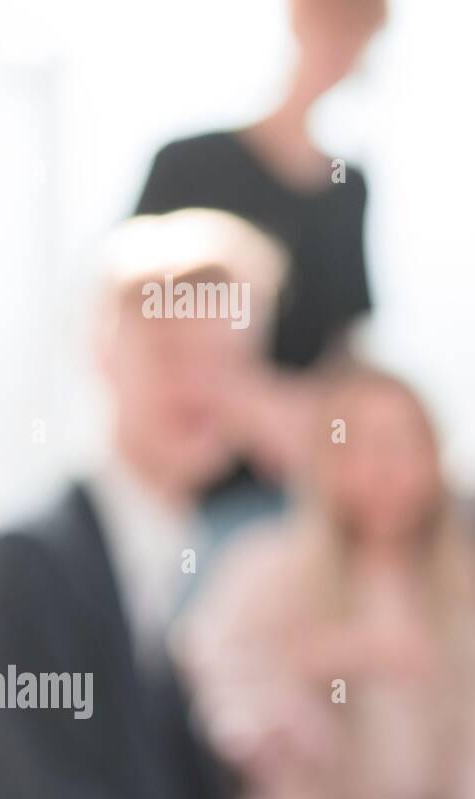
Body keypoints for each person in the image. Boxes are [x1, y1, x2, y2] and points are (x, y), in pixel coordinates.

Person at [0, 209, 287, 799]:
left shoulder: (205, 565)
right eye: (169, 353)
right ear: (103, 357)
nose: (199, 385)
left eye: (226, 358)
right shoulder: (26, 568)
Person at [179, 366, 475, 799]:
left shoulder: (467, 575)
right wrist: (313, 664)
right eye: (358, 447)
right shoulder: (270, 570)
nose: (382, 470)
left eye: (401, 447)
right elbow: (212, 688)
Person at [135, 0, 386, 493]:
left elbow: (345, 344)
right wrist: (246, 401)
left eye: (357, 34)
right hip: (187, 467)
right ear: (297, 22)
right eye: (331, 26)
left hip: (291, 475)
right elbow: (131, 315)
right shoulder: (189, 164)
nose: (340, 49)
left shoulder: (347, 188)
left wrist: (325, 415)